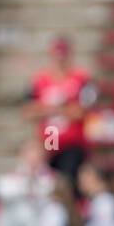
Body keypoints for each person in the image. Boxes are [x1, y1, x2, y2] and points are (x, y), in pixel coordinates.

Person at [24, 36, 95, 184]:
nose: (60, 60)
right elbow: (29, 111)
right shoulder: (40, 80)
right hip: (49, 142)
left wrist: (52, 109)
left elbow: (83, 111)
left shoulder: (81, 78)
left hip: (72, 144)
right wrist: (60, 109)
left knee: (68, 182)